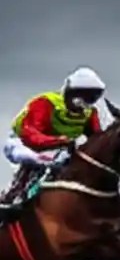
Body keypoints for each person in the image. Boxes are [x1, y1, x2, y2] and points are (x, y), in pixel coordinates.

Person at [2, 67, 107, 208]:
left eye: (94, 98)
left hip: (59, 148)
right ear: (74, 94)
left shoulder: (89, 112)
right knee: (37, 159)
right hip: (22, 143)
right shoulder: (45, 102)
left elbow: (97, 139)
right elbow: (30, 135)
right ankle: (12, 197)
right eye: (88, 97)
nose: (89, 104)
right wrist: (60, 141)